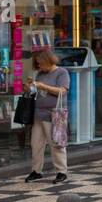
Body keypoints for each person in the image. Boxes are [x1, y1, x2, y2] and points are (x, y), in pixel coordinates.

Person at [26, 49, 70, 185]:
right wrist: (29, 87)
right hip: (38, 114)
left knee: (56, 143)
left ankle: (61, 171)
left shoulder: (62, 72)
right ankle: (36, 170)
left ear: (48, 61)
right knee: (36, 144)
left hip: (54, 114)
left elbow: (62, 91)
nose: (39, 66)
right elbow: (36, 92)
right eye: (37, 64)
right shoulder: (40, 74)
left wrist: (42, 86)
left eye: (40, 63)